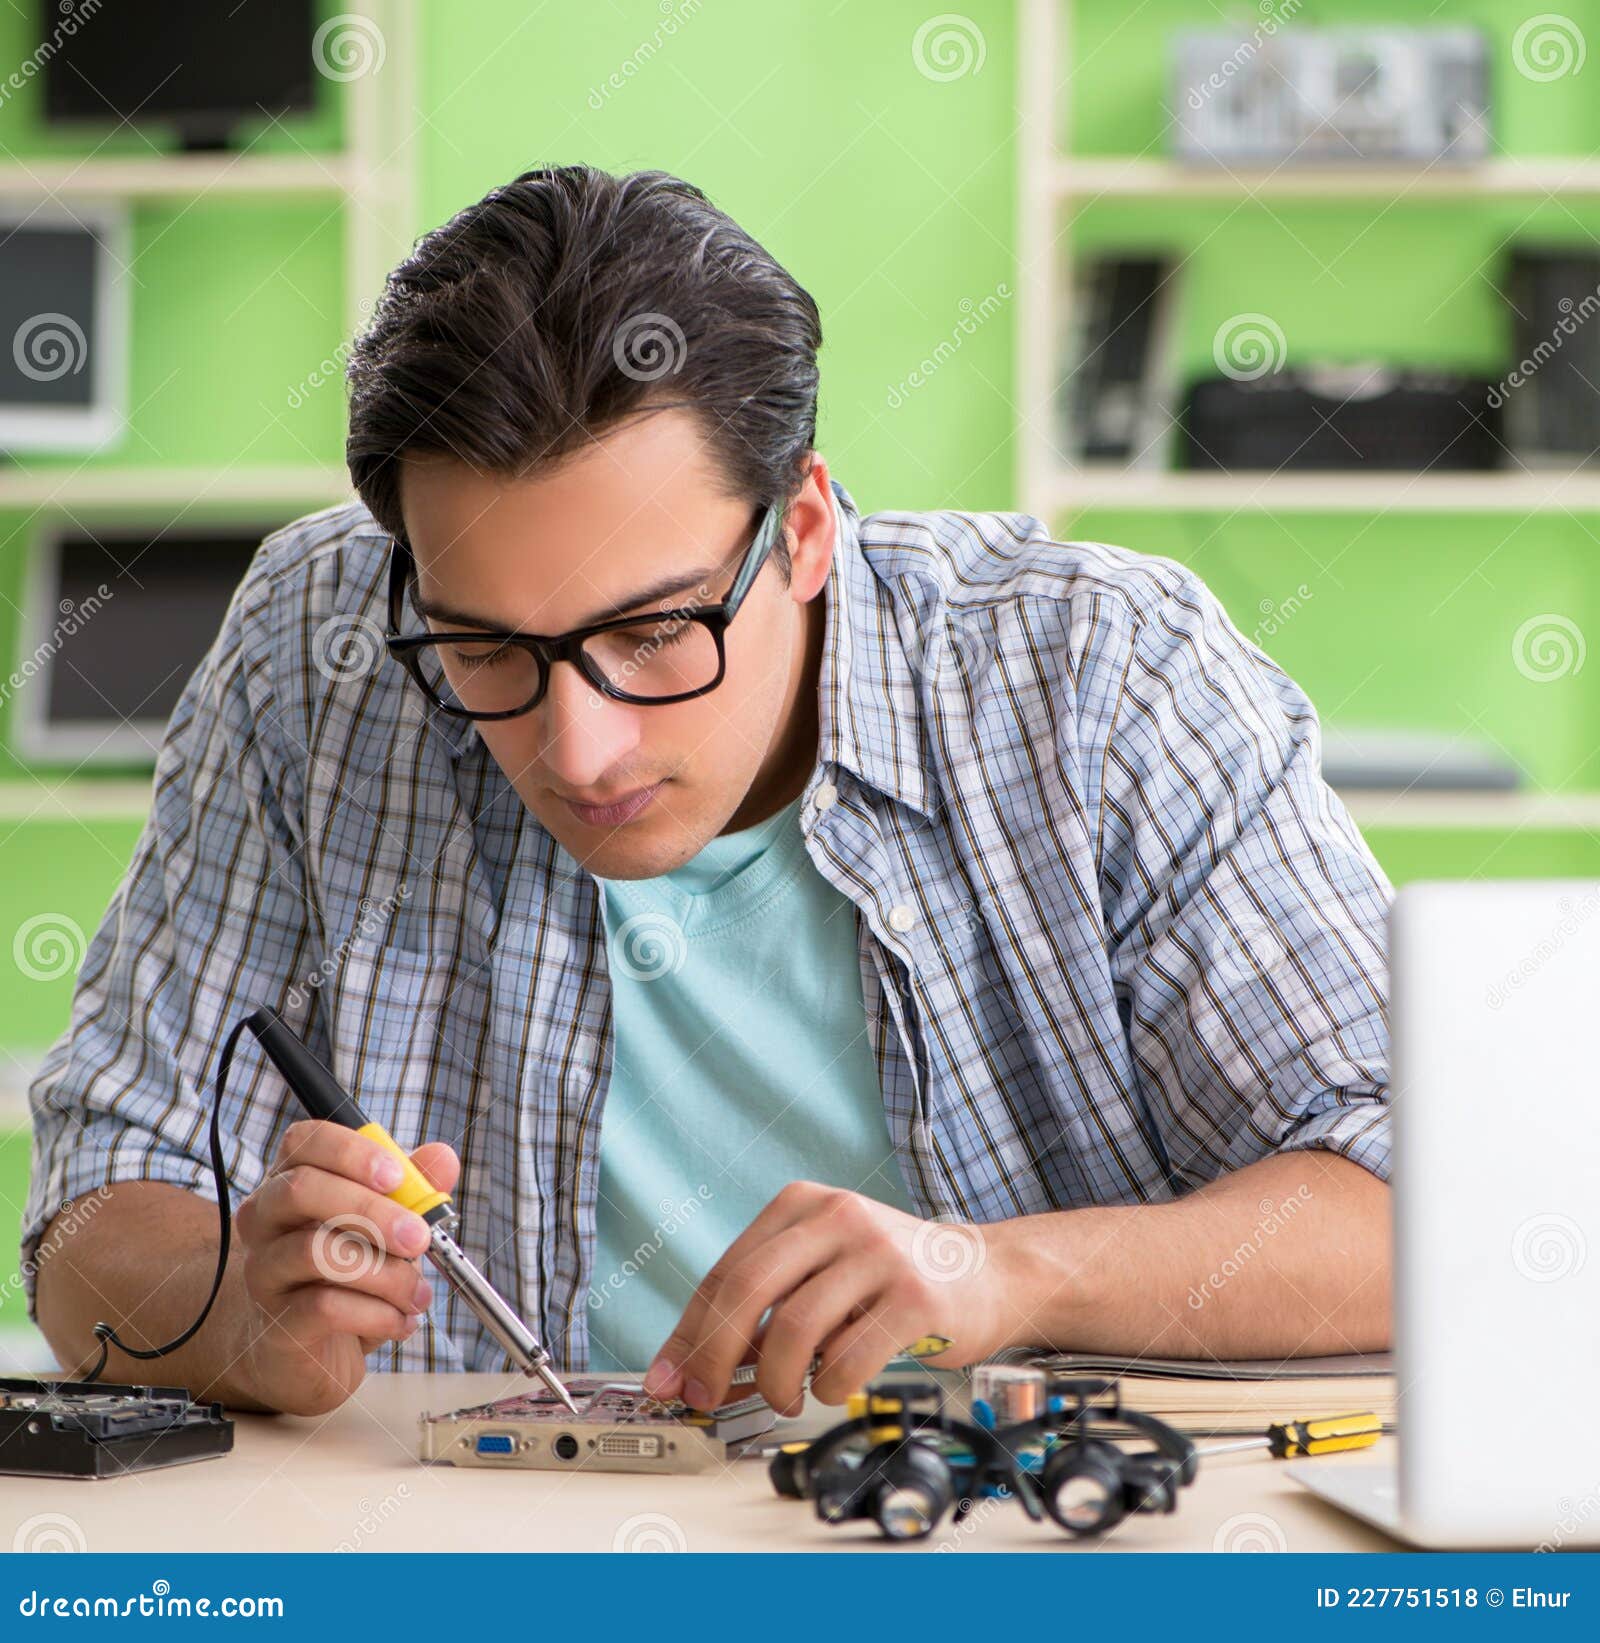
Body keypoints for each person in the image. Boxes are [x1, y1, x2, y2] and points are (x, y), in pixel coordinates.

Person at [24, 165, 1392, 1419]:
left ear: (799, 532)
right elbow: (95, 1209)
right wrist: (241, 1319)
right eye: (483, 647)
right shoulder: (314, 642)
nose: (580, 748)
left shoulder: (1101, 675)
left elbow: (1425, 1210)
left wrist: (1006, 1277)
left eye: (656, 633)